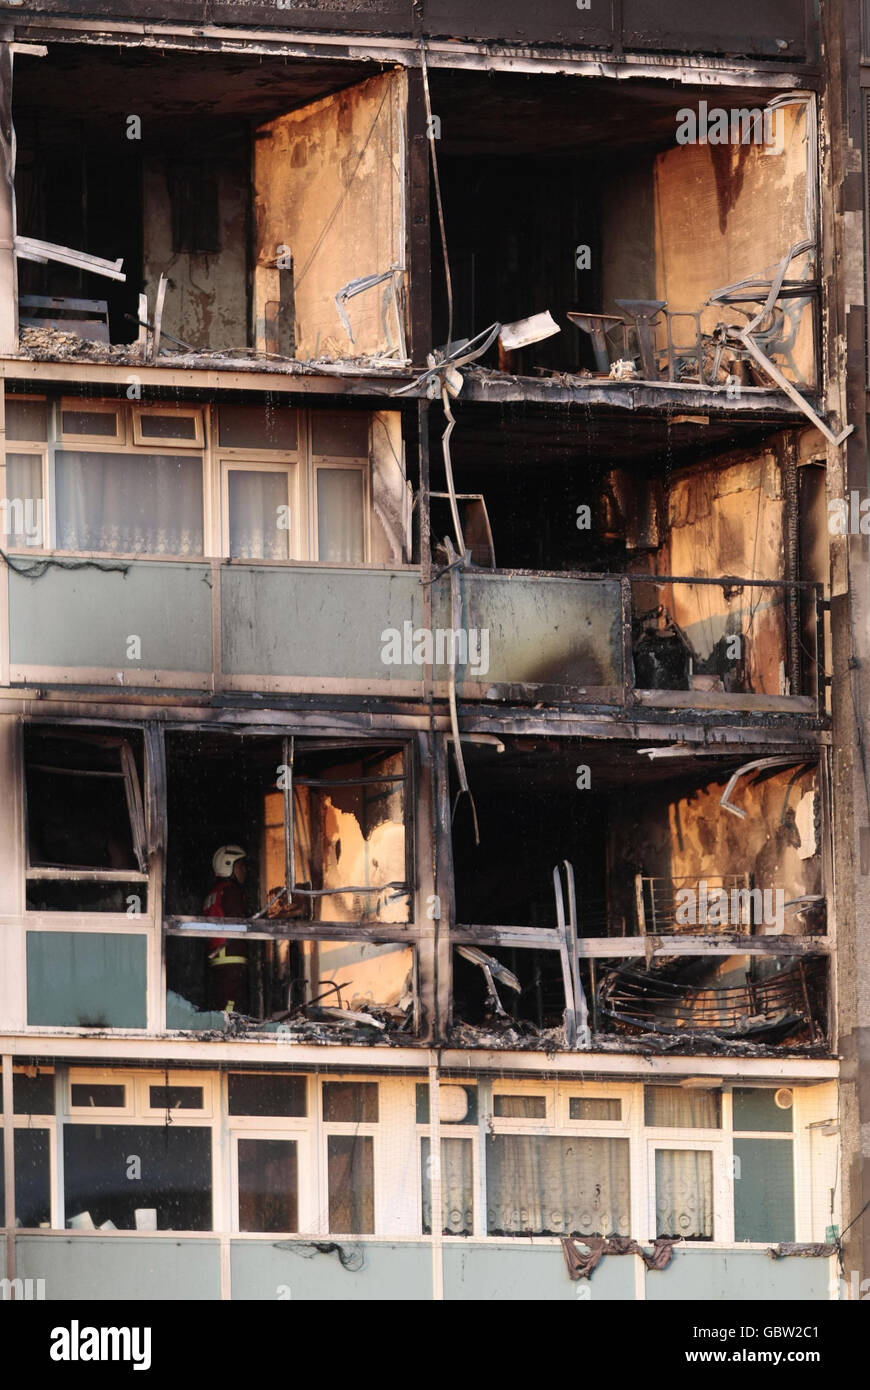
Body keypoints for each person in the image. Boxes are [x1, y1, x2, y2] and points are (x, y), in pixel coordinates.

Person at [203, 845, 249, 1013]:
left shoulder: (215, 892)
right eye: (241, 865)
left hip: (220, 958)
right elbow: (242, 922)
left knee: (222, 1004)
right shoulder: (230, 891)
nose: (244, 870)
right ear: (228, 865)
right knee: (232, 1010)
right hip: (232, 959)